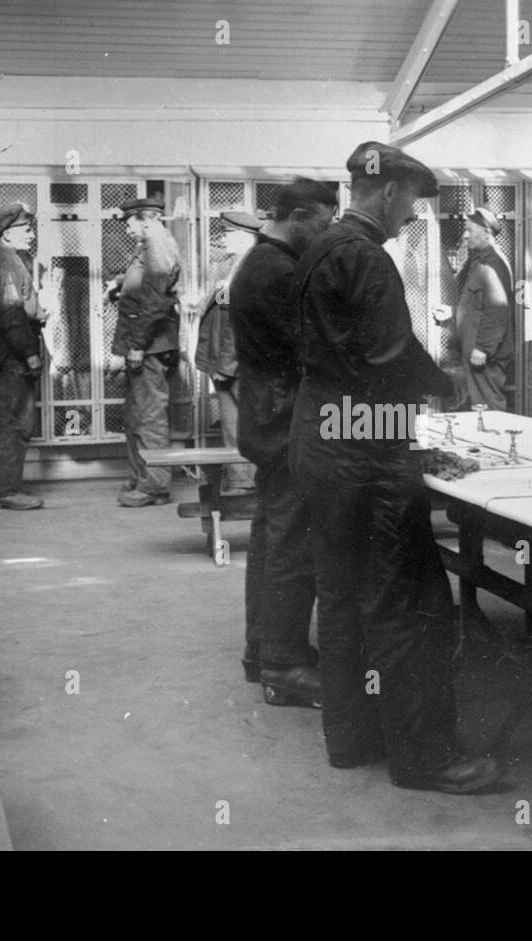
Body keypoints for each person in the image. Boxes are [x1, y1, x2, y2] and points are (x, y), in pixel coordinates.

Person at [290, 141, 502, 794]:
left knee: (343, 595)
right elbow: (390, 357)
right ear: (387, 193)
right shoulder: (368, 258)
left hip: (319, 443)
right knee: (404, 604)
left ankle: (351, 740)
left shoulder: (317, 248)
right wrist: (445, 385)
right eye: (410, 201)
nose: (411, 214)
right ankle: (424, 758)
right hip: (365, 458)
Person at [229, 178, 338, 703]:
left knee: (272, 540)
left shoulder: (260, 262)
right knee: (293, 544)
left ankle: (263, 651)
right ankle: (285, 665)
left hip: (266, 420)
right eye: (322, 223)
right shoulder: (278, 271)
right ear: (297, 216)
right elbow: (313, 350)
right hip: (285, 424)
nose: (327, 233)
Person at [108, 197, 183, 507]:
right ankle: (144, 477)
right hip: (143, 343)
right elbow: (144, 283)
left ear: (147, 220)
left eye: (130, 222)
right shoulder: (149, 246)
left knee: (148, 415)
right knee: (138, 413)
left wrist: (137, 345)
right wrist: (119, 282)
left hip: (150, 345)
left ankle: (154, 485)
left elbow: (154, 301)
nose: (127, 229)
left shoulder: (158, 246)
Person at [0, 204, 46, 510]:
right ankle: (5, 490)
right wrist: (30, 353)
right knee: (15, 420)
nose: (32, 235)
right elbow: (11, 312)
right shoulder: (6, 260)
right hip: (12, 348)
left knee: (2, 419)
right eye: (26, 229)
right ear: (7, 233)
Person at [194, 211, 259, 494]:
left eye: (228, 234)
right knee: (233, 428)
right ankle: (240, 482)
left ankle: (249, 482)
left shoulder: (250, 270)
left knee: (245, 426)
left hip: (235, 365)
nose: (222, 239)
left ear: (246, 238)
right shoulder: (236, 267)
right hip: (226, 363)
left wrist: (224, 365)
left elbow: (241, 325)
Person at [451, 207, 514, 410]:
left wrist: (484, 347)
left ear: (487, 233)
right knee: (480, 408)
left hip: (484, 353)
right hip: (477, 350)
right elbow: (477, 305)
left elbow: (498, 310)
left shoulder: (492, 264)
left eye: (470, 230)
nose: (464, 235)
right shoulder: (479, 261)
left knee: (489, 408)